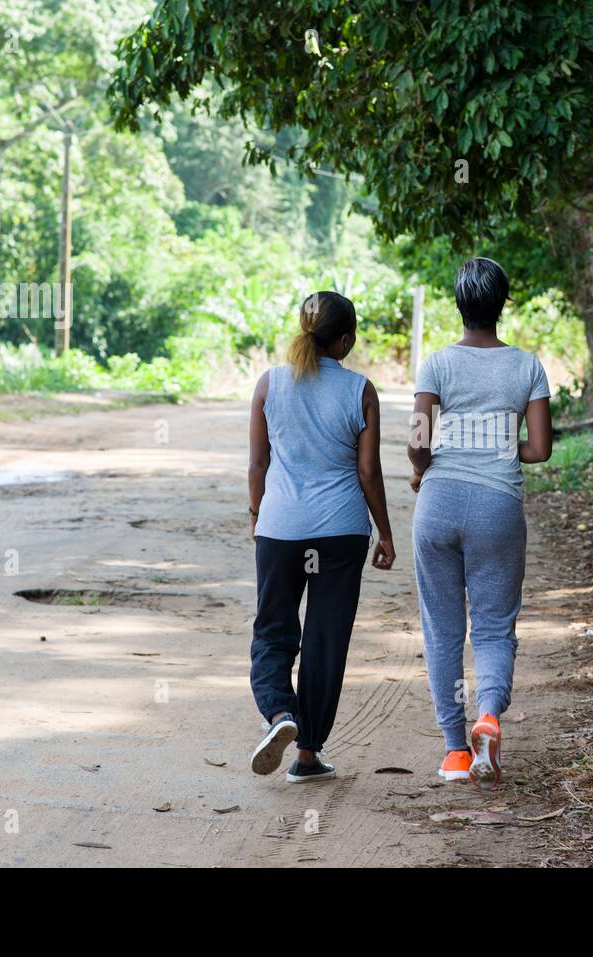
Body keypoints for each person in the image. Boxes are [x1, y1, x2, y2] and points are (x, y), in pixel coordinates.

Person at [407, 258, 552, 789]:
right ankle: (488, 715)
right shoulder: (528, 367)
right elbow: (538, 448)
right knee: (493, 625)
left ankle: (453, 751)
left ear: (460, 305)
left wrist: (422, 472)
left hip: (439, 503)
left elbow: (419, 441)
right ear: (502, 303)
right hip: (498, 507)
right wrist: (494, 447)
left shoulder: (437, 363)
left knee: (443, 629)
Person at [247, 291, 395, 783]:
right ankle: (307, 754)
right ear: (347, 339)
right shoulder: (361, 390)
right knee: (325, 641)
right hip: (340, 533)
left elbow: (258, 464)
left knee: (273, 630)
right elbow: (369, 472)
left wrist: (257, 517)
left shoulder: (269, 384)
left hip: (281, 530)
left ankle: (278, 714)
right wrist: (386, 534)